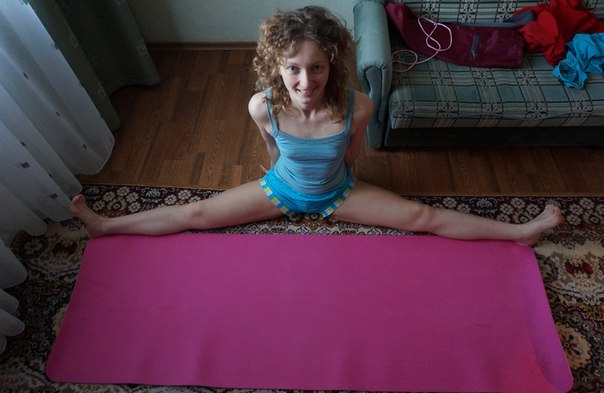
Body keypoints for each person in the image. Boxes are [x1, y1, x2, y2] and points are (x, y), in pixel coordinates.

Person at [70, 6, 562, 245]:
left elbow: (351, 156)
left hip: (339, 193)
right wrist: (275, 187)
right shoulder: (261, 106)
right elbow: (272, 153)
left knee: (422, 217)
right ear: (277, 67)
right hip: (280, 190)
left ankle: (518, 233)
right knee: (195, 213)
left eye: (317, 68)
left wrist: (340, 184)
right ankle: (105, 226)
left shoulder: (358, 107)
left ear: (332, 65)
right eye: (293, 69)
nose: (306, 82)